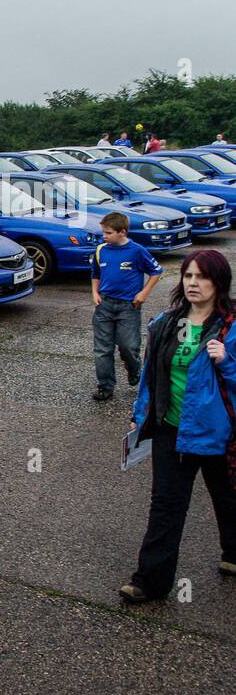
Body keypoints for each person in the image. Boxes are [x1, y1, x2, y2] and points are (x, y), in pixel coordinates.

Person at [121, 249, 236, 602]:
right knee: (166, 504)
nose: (193, 283)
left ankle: (233, 553)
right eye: (188, 275)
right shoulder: (164, 324)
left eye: (202, 276)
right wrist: (140, 415)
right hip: (172, 429)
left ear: (219, 282)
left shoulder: (231, 327)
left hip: (219, 434)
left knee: (228, 497)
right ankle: (149, 581)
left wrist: (228, 363)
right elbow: (151, 379)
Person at [91, 213, 163, 402]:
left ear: (122, 232)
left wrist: (144, 293)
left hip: (128, 307)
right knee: (102, 349)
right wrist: (95, 292)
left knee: (128, 346)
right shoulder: (101, 250)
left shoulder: (137, 251)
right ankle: (105, 386)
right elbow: (95, 273)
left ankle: (134, 369)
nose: (104, 236)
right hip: (104, 305)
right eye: (103, 232)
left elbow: (156, 271)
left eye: (108, 233)